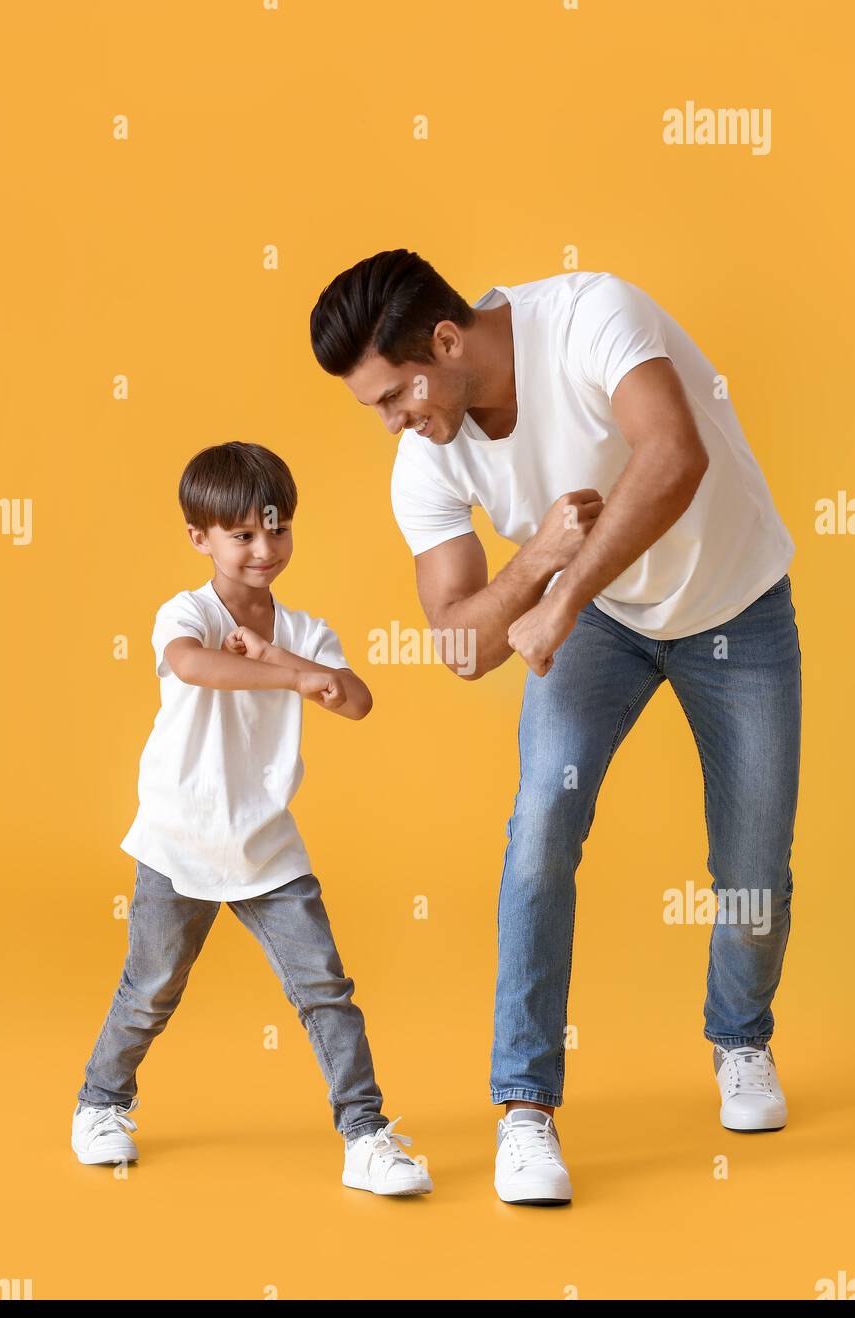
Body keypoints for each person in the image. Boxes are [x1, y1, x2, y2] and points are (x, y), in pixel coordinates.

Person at [310, 250, 800, 1206]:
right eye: (374, 407)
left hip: (736, 608)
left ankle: (741, 1041)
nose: (393, 423)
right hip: (598, 627)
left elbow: (674, 453)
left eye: (394, 395)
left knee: (753, 864)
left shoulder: (589, 315)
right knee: (540, 828)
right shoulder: (426, 458)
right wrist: (536, 559)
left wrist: (563, 593)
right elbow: (460, 643)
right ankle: (525, 1109)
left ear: (445, 342)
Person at [71, 440, 432, 1198]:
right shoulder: (188, 611)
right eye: (243, 535)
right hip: (179, 839)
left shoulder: (303, 629)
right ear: (200, 539)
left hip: (267, 846)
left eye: (279, 527)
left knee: (326, 990)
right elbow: (195, 664)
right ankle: (100, 1104)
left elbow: (357, 700)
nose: (265, 548)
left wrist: (296, 663)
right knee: (152, 987)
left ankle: (365, 1136)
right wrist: (288, 673)